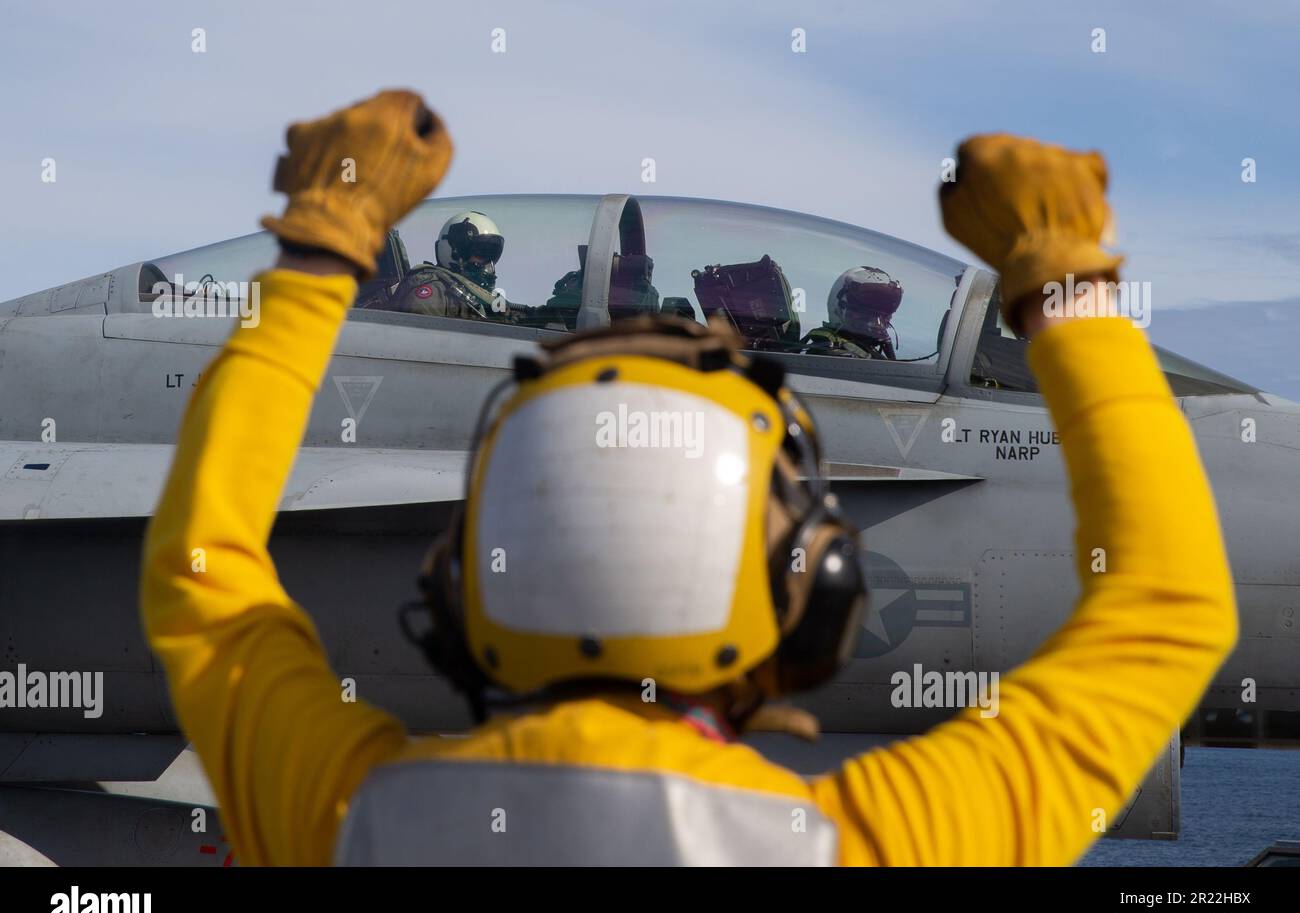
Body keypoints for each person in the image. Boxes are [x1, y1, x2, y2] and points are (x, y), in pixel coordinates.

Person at [140, 93, 1237, 865]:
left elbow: (202, 576)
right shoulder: (867, 841)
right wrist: (1062, 279)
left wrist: (319, 248)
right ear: (811, 587)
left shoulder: (347, 816)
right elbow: (1168, 612)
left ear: (459, 583)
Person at [388, 210, 516, 321]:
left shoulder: (480, 299)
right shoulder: (432, 296)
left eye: (492, 255)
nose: (489, 264)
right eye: (482, 253)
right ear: (456, 251)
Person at [802, 266, 903, 359]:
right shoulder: (830, 354)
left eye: (884, 314)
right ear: (840, 306)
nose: (877, 321)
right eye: (864, 311)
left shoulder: (869, 355)